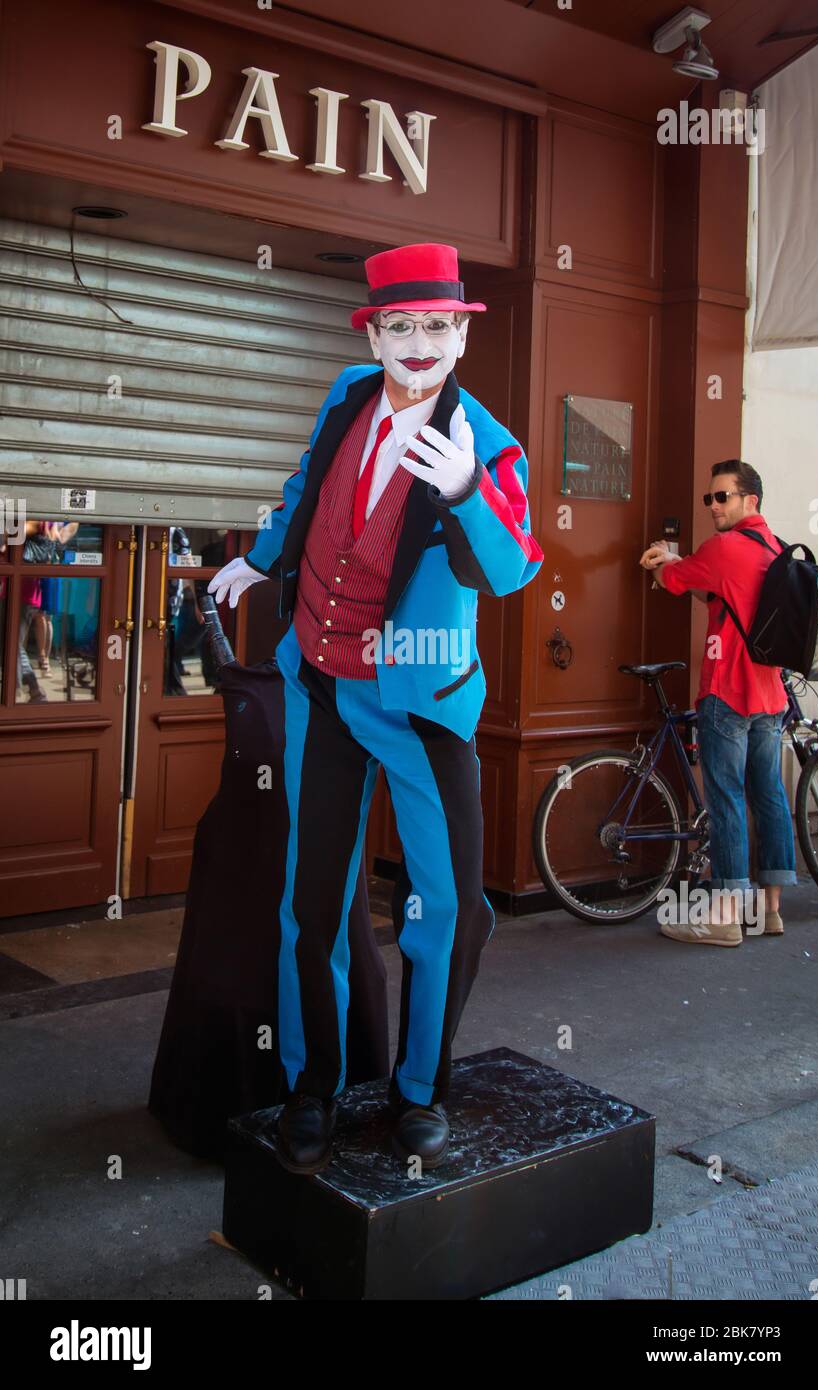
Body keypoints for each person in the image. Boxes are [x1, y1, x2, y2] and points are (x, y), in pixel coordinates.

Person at [209, 242, 543, 1173]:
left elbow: (513, 566)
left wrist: (466, 492)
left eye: (437, 325)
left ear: (459, 337)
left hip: (421, 706)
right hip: (320, 683)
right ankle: (311, 1085)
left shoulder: (487, 441)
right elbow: (307, 486)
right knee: (311, 903)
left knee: (448, 906)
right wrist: (263, 556)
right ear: (377, 333)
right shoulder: (348, 394)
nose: (419, 342)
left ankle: (419, 1090)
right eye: (401, 325)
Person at [640, 459, 796, 945]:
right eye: (709, 498)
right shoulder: (776, 547)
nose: (712, 506)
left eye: (721, 497)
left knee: (725, 799)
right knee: (768, 795)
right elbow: (722, 593)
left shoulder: (726, 548)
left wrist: (661, 560)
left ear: (750, 499)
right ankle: (770, 909)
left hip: (728, 693)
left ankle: (726, 915)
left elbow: (676, 579)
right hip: (770, 696)